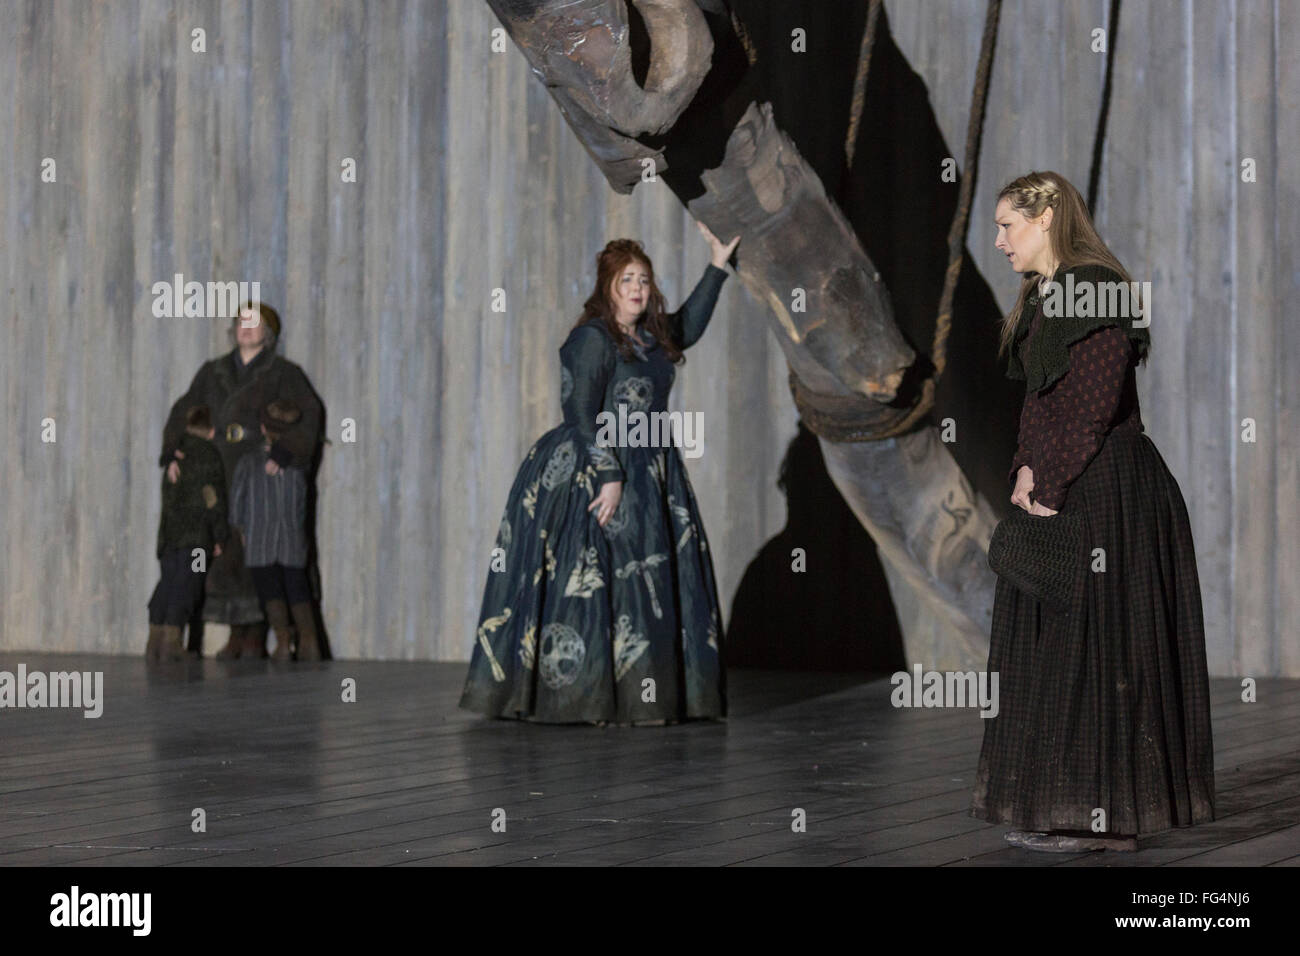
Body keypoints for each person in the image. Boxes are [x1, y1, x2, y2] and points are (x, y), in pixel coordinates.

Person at [972, 170, 1215, 851]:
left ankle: (1100, 817)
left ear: (1046, 217)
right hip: (1063, 483)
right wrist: (1024, 468)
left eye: (1007, 225)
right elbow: (1041, 402)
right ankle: (1061, 804)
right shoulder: (1045, 294)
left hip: (1107, 490)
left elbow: (1095, 403)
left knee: (1098, 654)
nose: (999, 241)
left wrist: (1048, 484)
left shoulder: (1096, 287)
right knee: (1055, 653)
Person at [460, 223, 741, 724]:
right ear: (608, 287)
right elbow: (581, 411)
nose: (637, 289)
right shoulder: (591, 339)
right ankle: (580, 694)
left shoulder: (651, 336)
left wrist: (718, 266)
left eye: (644, 280)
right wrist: (608, 474)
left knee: (643, 581)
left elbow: (689, 327)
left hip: (652, 465)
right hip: (598, 466)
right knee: (591, 580)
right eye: (627, 280)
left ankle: (641, 694)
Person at [159, 301, 323, 659]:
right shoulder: (212, 372)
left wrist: (285, 453)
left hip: (261, 479)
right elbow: (183, 409)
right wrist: (173, 450)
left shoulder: (284, 373)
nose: (246, 328)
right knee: (223, 553)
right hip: (218, 473)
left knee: (263, 554)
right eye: (241, 322)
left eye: (255, 323)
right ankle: (237, 633)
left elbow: (309, 416)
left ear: (269, 333)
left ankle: (262, 634)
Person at [229, 399, 319, 661]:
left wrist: (241, 528)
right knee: (297, 587)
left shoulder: (249, 462)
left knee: (270, 590)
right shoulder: (299, 465)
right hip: (292, 535)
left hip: (259, 536)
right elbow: (302, 503)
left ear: (263, 428)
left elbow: (238, 500)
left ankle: (283, 642)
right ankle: (309, 641)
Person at [146, 405, 228, 662]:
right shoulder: (208, 455)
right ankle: (172, 644)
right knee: (189, 584)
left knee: (168, 582)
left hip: (169, 537)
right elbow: (212, 498)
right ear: (211, 430)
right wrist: (219, 535)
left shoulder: (174, 455)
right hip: (197, 541)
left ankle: (154, 642)